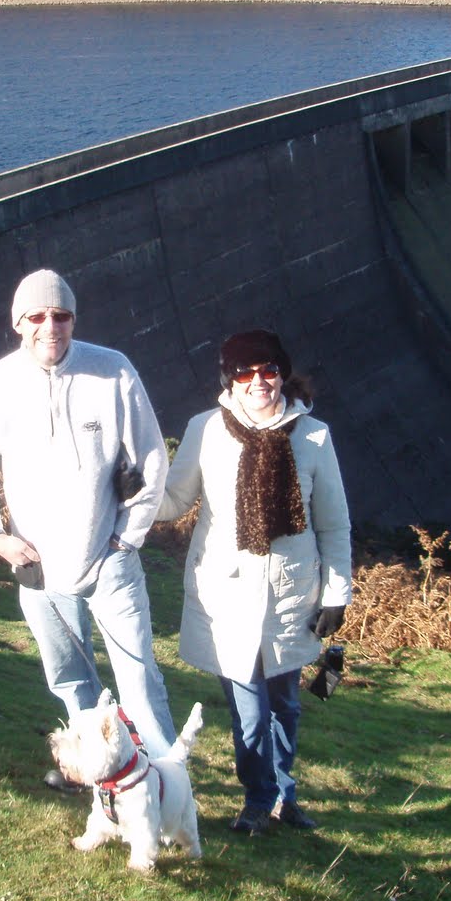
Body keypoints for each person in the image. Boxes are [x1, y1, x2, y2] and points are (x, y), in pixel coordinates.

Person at [0, 269, 179, 782]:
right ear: (19, 323)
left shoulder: (113, 371)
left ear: (73, 318)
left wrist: (129, 536)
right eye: (37, 316)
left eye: (60, 315)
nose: (50, 326)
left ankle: (169, 780)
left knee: (139, 679)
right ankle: (96, 775)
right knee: (69, 678)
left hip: (109, 558)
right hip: (37, 566)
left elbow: (150, 460)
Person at [157, 329, 352, 834]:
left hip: (291, 597)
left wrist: (336, 595)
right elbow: (175, 502)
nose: (258, 381)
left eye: (268, 370)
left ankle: (286, 795)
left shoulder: (313, 437)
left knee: (284, 704)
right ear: (230, 379)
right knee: (248, 708)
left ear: (282, 374)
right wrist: (132, 491)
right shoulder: (205, 429)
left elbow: (333, 523)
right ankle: (257, 797)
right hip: (226, 595)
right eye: (245, 372)